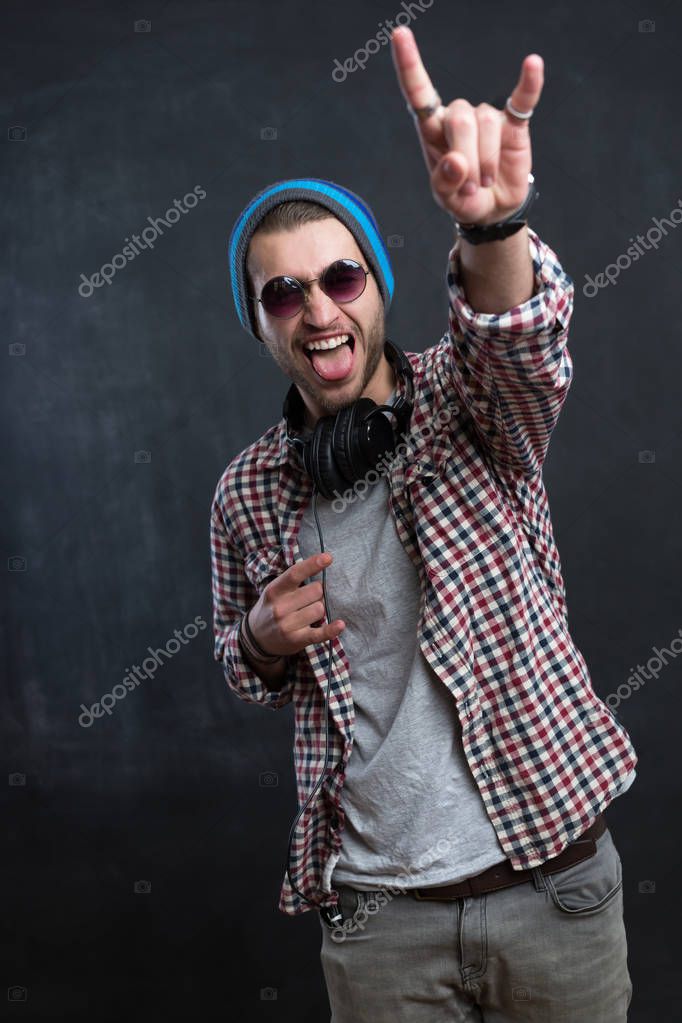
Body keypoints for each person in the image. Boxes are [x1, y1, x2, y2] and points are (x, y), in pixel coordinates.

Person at [210, 24, 637, 1023]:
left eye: (338, 278)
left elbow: (523, 340)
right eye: (283, 293)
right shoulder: (247, 492)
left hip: (553, 891)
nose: (317, 309)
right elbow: (241, 662)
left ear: (375, 289)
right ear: (261, 321)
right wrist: (261, 641)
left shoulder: (470, 400)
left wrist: (491, 230)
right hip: (378, 921)